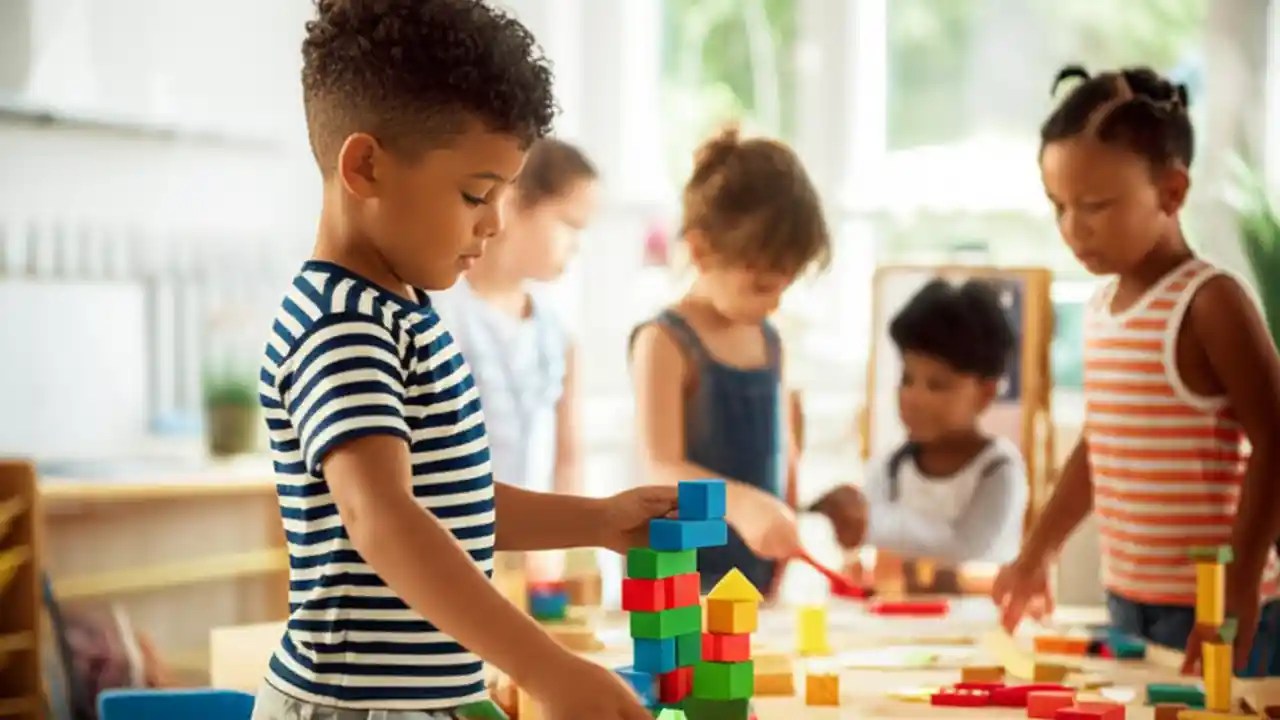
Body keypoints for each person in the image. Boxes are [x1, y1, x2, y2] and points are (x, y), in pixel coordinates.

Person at [253, 2, 672, 718]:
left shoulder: (401, 312)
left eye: (506, 193)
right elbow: (383, 520)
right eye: (476, 193)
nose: (496, 222)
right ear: (366, 167)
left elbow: (446, 505)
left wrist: (595, 520)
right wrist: (548, 669)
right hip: (355, 708)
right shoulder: (341, 325)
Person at [991, 65, 1280, 676]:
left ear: (1172, 193)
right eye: (1058, 206)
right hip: (1126, 606)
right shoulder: (1101, 309)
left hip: (1217, 612)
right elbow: (1102, 447)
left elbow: (1277, 442)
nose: (1073, 228)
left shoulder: (1210, 303)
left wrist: (1240, 579)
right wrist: (1037, 551)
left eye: (1095, 206)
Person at [630, 126, 831, 595]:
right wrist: (738, 504)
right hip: (682, 585)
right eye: (762, 286)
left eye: (785, 285)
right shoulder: (666, 341)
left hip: (757, 584)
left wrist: (814, 508)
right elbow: (660, 467)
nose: (775, 303)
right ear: (700, 251)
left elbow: (782, 456)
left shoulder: (770, 339)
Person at [812, 279, 1027, 582]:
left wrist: (867, 522)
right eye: (907, 379)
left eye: (937, 385)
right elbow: (872, 548)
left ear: (985, 394)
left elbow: (965, 546)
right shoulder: (890, 467)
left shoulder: (998, 470)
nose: (915, 398)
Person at [431, 138, 598, 496]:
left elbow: (568, 459)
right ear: (514, 202)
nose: (576, 245)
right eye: (569, 224)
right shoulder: (445, 315)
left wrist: (559, 540)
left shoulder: (558, 333)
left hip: (537, 543)